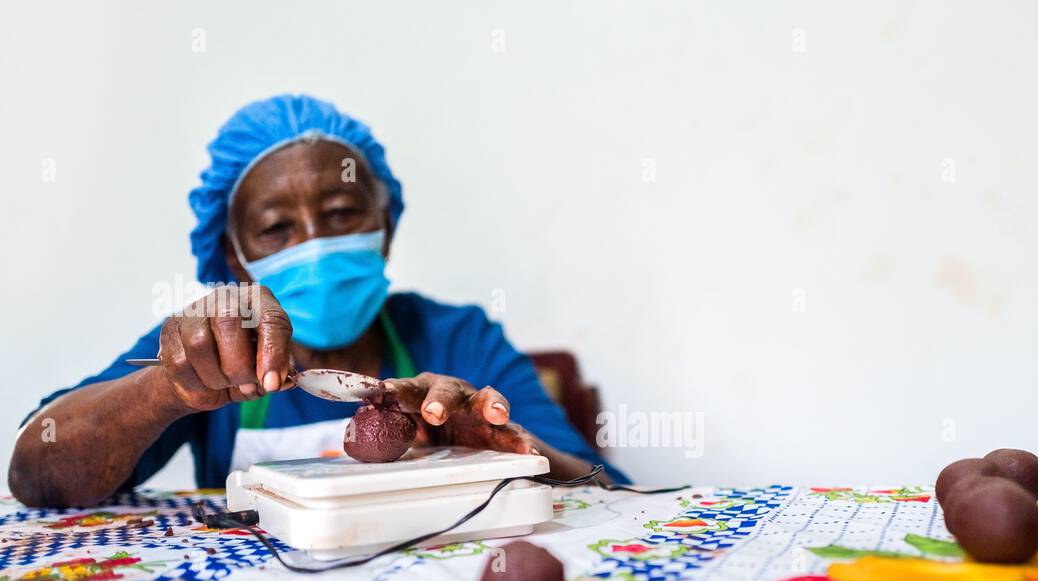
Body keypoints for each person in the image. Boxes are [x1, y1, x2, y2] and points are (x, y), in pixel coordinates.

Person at [9, 94, 626, 508]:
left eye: (340, 212)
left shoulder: (457, 337)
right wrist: (167, 391)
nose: (315, 243)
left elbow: (609, 491)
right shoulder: (205, 348)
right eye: (277, 226)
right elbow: (36, 476)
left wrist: (507, 451)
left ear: (384, 230)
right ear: (235, 260)